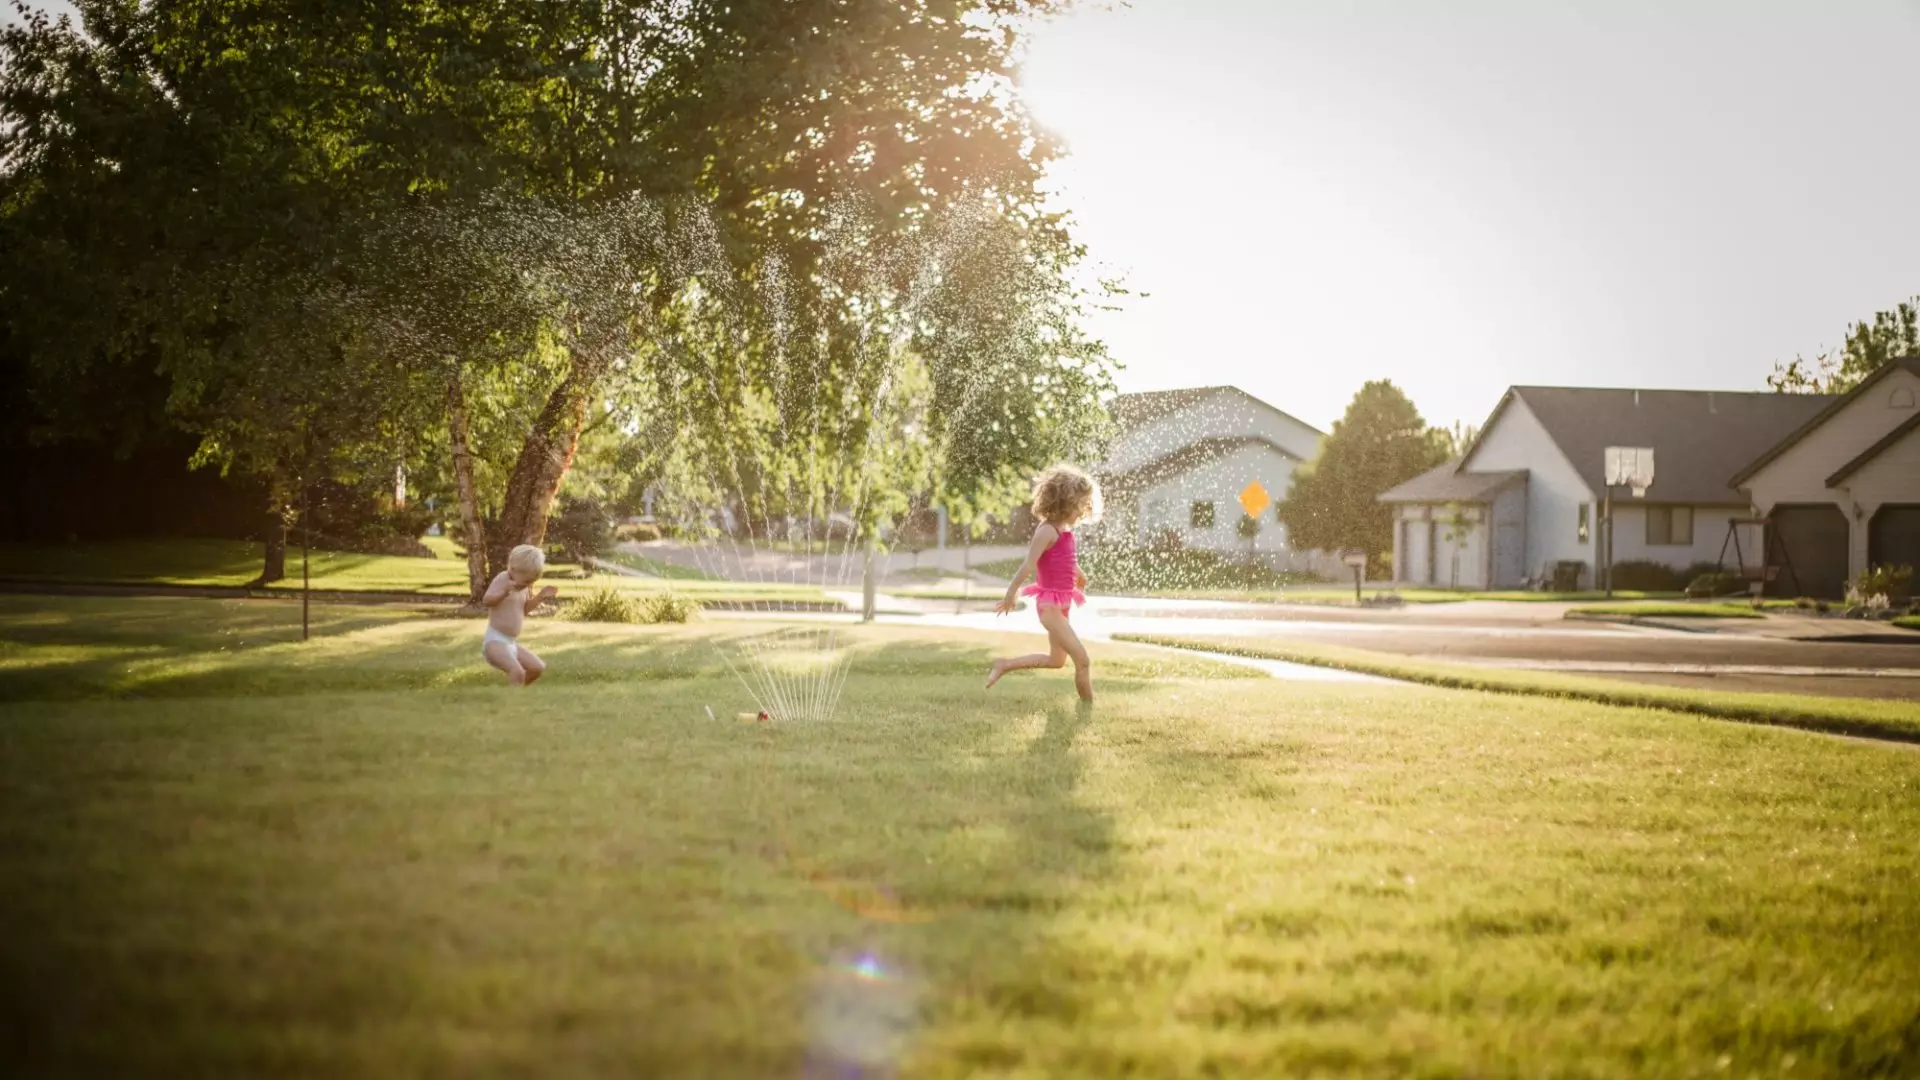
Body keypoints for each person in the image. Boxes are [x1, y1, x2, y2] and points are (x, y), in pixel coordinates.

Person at [987, 463, 1101, 702]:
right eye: (1081, 505)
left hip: (1063, 601)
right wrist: (1011, 593)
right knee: (1083, 660)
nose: (1083, 511)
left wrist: (1078, 571)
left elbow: (1063, 557)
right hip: (1049, 607)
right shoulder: (1047, 531)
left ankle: (1005, 665)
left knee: (1056, 661)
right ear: (1066, 502)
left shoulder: (1063, 528)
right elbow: (1029, 564)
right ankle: (1088, 708)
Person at [482, 544, 559, 686]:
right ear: (513, 569)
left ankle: (513, 694)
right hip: (495, 641)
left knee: (537, 668)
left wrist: (540, 596)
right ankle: (512, 702)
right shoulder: (503, 579)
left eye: (531, 582)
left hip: (511, 643)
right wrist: (503, 592)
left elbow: (523, 610)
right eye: (526, 581)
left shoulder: (524, 588)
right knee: (517, 671)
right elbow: (486, 601)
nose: (527, 585)